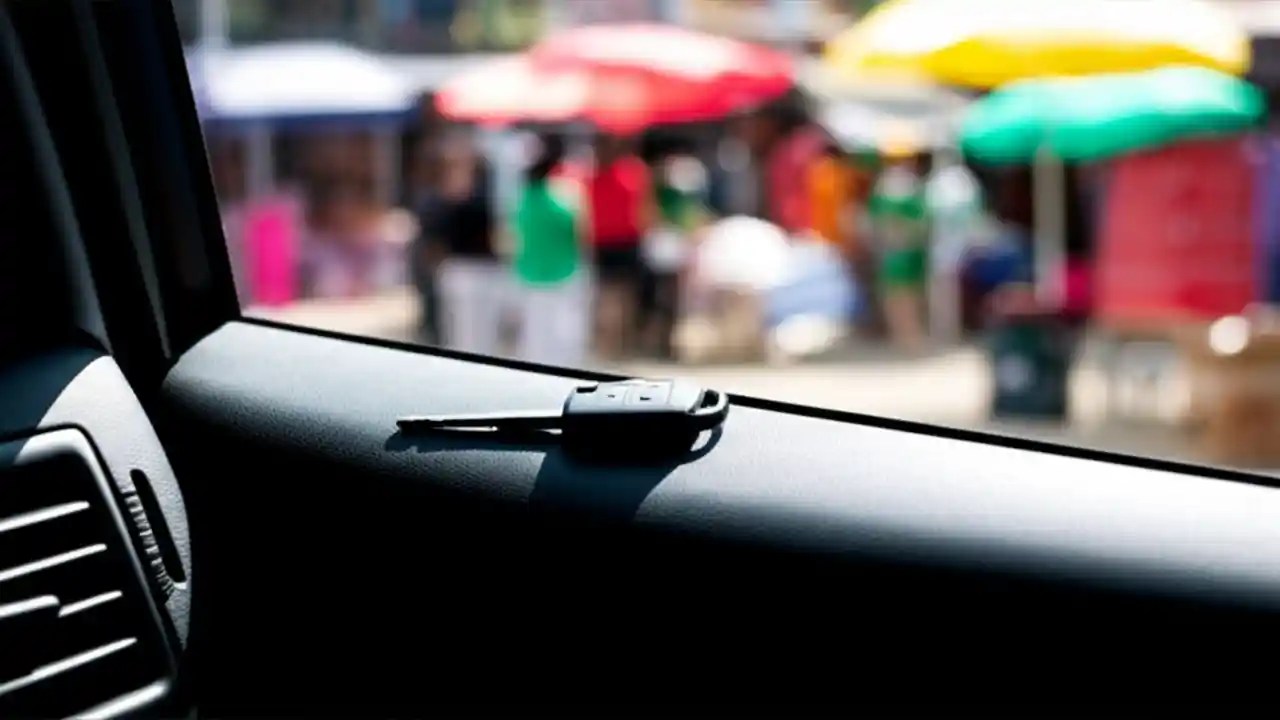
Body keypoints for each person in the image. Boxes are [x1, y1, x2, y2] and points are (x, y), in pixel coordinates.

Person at [512, 134, 590, 367]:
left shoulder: (524, 200)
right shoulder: (565, 198)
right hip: (563, 272)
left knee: (536, 334)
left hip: (531, 273)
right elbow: (581, 233)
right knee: (564, 334)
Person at [426, 134, 502, 356]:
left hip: (485, 269)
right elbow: (436, 239)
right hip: (459, 269)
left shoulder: (487, 195)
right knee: (460, 334)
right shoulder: (441, 198)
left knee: (484, 334)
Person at [587, 133, 653, 359]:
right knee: (622, 297)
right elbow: (646, 210)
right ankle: (619, 344)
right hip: (624, 242)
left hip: (607, 242)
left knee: (610, 296)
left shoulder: (592, 177)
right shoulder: (634, 172)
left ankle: (610, 344)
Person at [867, 148, 930, 351]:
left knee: (896, 293)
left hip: (893, 249)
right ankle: (910, 334)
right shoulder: (908, 185)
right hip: (907, 248)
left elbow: (876, 221)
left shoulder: (885, 186)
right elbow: (921, 221)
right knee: (909, 292)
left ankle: (902, 334)